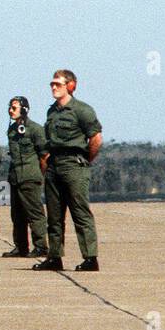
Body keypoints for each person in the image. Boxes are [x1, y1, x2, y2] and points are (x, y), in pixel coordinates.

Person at [34, 69, 102, 272]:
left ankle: (90, 257)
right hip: (54, 165)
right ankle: (55, 256)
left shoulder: (82, 110)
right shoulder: (52, 112)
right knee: (54, 216)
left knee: (80, 213)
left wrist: (84, 161)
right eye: (52, 84)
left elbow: (96, 139)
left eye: (58, 84)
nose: (53, 87)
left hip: (74, 165)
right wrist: (47, 163)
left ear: (71, 85)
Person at [3, 96, 48, 258]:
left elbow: (45, 155)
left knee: (34, 213)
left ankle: (41, 246)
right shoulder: (12, 130)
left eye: (14, 107)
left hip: (30, 177)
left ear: (24, 109)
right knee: (17, 215)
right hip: (15, 177)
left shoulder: (36, 129)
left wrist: (38, 174)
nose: (10, 110)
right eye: (10, 107)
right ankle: (21, 247)